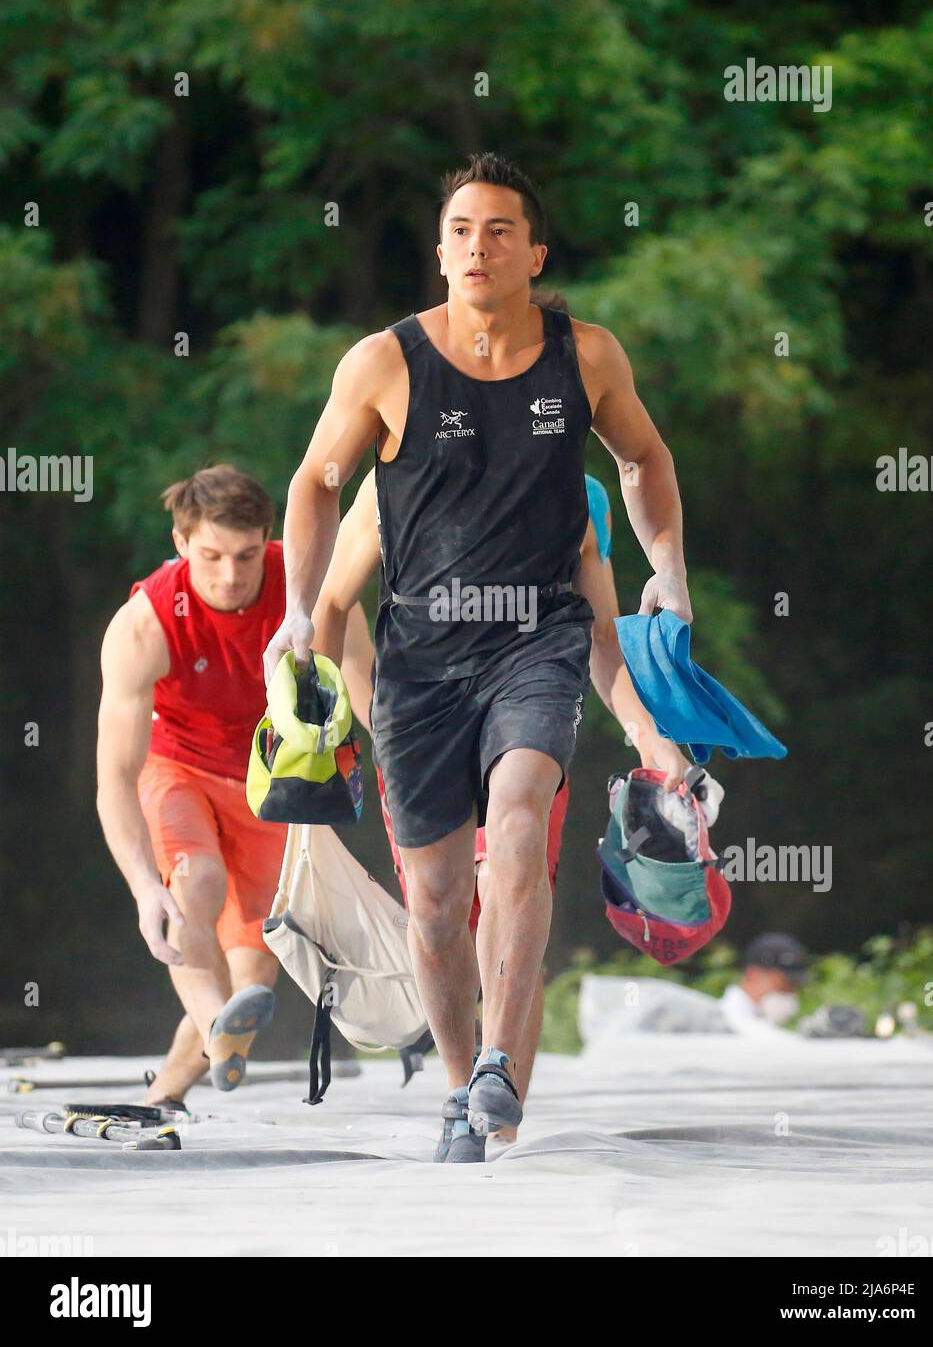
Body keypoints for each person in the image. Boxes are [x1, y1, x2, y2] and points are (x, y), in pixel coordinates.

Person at [265, 151, 693, 1161]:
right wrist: (297, 624)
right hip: (418, 660)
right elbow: (315, 486)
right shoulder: (382, 362)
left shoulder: (583, 355)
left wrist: (667, 577)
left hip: (535, 640)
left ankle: (502, 1057)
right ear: (439, 249)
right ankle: (462, 1089)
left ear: (532, 253)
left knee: (517, 813)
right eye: (459, 229)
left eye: (498, 229)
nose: (476, 246)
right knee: (435, 900)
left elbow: (643, 458)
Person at [311, 464, 692, 1153]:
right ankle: (461, 1096)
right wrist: (340, 723)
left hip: (527, 707)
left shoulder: (580, 498)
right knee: (440, 912)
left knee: (507, 883)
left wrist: (648, 737)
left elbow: (601, 634)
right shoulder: (389, 484)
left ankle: (499, 1091)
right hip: (419, 713)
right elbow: (333, 608)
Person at [96, 466, 288, 1105]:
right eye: (210, 556)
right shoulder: (143, 622)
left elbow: (367, 689)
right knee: (195, 883)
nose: (230, 576)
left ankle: (167, 1092)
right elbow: (114, 779)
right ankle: (212, 1024)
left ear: (269, 538)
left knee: (256, 978)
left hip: (270, 775)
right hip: (177, 764)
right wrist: (145, 887)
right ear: (181, 544)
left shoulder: (306, 584)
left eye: (246, 555)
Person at [719, 933, 807, 1030]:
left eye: (794, 987)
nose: (790, 994)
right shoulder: (723, 1019)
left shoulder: (758, 1019)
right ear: (754, 973)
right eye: (783, 986)